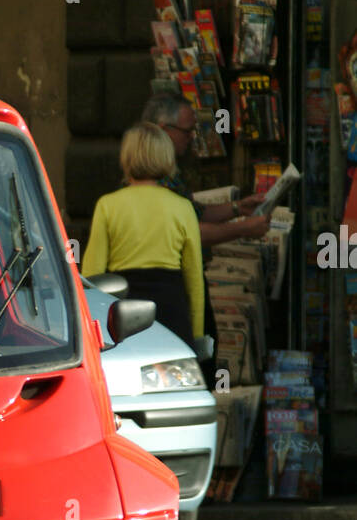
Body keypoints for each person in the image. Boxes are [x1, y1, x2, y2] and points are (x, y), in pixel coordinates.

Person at [81, 123, 204, 350]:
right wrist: (196, 335)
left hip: (125, 314)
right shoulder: (183, 207)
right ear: (166, 157)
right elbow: (195, 280)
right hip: (172, 311)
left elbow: (92, 275)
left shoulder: (108, 205)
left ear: (126, 157)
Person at [141, 95, 269, 246]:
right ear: (163, 130)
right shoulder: (151, 173)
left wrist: (239, 207)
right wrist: (242, 228)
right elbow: (189, 232)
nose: (191, 137)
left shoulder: (168, 169)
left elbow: (195, 213)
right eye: (187, 131)